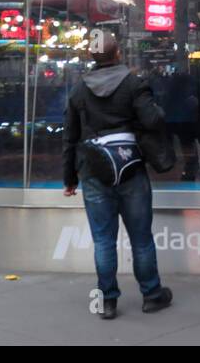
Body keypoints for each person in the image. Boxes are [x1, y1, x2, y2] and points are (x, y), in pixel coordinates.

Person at [62, 33, 173, 319]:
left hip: (93, 171)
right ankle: (152, 295)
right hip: (130, 169)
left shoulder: (78, 90)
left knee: (103, 240)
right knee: (141, 238)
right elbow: (152, 120)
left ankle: (108, 301)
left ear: (92, 57)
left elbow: (70, 137)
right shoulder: (133, 84)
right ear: (118, 54)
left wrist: (70, 179)